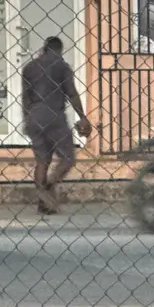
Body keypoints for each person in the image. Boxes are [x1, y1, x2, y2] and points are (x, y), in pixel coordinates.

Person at [20, 37, 92, 214]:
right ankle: (48, 187)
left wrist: (27, 119)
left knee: (42, 161)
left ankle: (43, 202)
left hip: (35, 116)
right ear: (59, 50)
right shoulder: (62, 66)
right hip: (54, 116)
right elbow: (72, 94)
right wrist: (82, 116)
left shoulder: (29, 67)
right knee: (67, 158)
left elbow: (25, 98)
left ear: (44, 49)